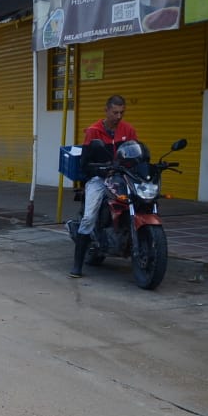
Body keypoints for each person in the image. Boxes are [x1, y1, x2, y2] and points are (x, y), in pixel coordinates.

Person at [69, 94, 139, 278]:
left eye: (122, 112)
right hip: (99, 178)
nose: (118, 116)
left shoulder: (128, 130)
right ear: (106, 111)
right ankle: (77, 265)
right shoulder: (94, 131)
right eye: (115, 112)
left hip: (124, 176)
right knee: (88, 217)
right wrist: (100, 170)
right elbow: (84, 163)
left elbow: (137, 154)